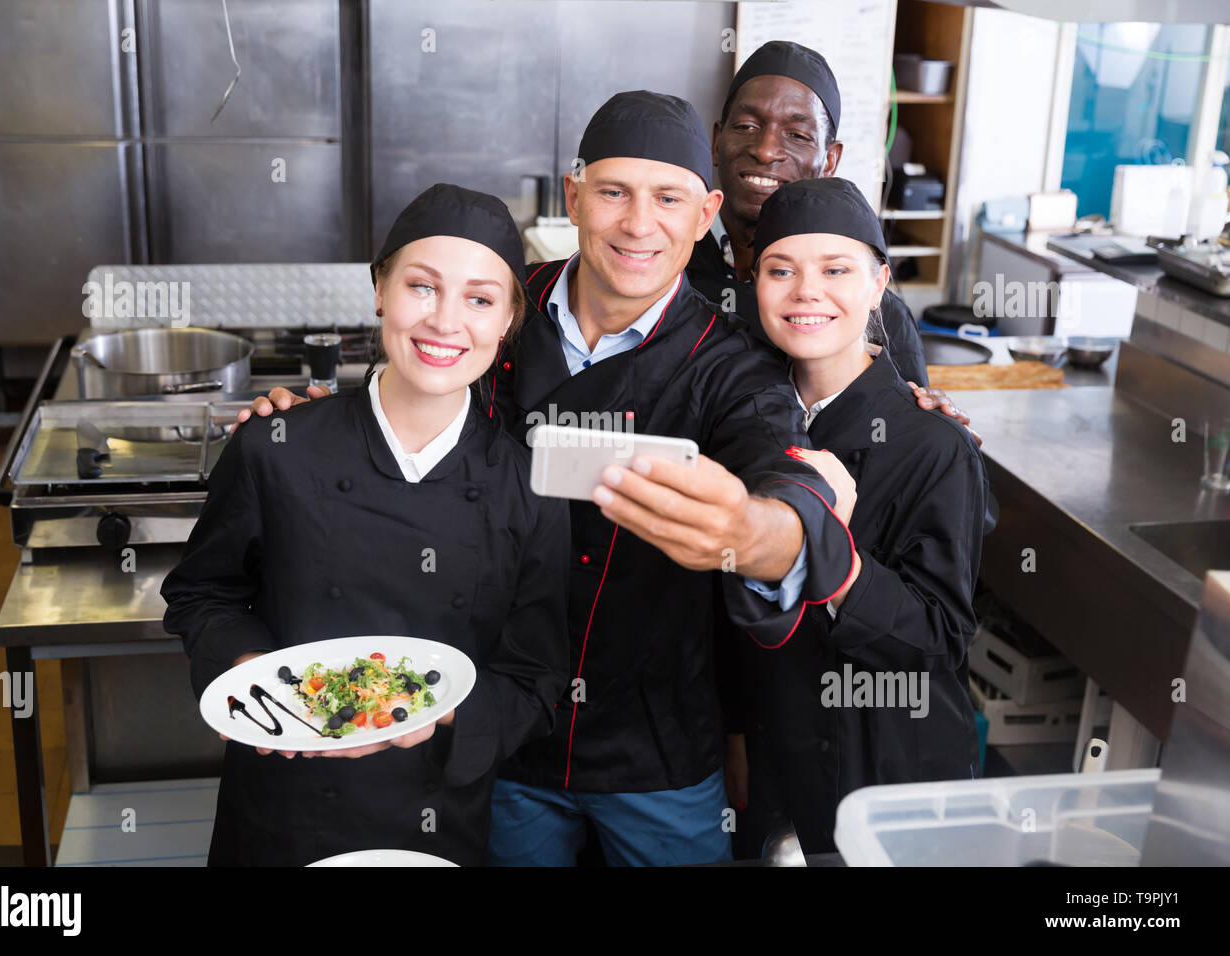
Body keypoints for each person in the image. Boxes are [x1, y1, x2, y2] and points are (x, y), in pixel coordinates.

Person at [241, 91, 858, 866]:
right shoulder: (492, 304)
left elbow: (782, 474)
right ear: (574, 196)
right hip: (488, 724)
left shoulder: (729, 367)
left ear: (703, 214)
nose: (639, 224)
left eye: (667, 198)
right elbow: (399, 397)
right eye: (613, 192)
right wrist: (304, 418)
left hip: (654, 747)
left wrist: (759, 531)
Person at [160, 184, 571, 866]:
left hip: (437, 815)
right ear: (379, 289)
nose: (445, 322)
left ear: (507, 323)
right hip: (279, 805)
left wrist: (448, 719)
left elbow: (535, 679)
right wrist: (245, 667)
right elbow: (204, 595)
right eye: (421, 286)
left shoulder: (527, 489)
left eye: (478, 298)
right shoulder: (275, 446)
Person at [721, 177, 988, 856]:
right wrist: (737, 733)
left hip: (892, 761)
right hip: (779, 748)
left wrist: (832, 563)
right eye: (781, 270)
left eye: (836, 270)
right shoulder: (740, 422)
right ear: (755, 284)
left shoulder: (933, 442)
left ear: (878, 284)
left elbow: (939, 636)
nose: (807, 291)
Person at [687, 39, 981, 444]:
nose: (766, 150)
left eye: (797, 135)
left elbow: (901, 438)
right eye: (746, 127)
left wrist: (937, 435)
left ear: (830, 160)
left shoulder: (877, 316)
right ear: (717, 141)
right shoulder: (667, 278)